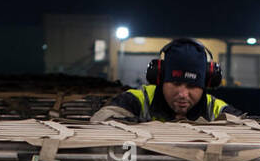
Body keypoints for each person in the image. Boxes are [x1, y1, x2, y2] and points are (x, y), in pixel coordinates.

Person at [92, 38, 239, 123]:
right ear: (160, 78)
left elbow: (246, 126)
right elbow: (102, 119)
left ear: (206, 84)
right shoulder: (138, 100)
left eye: (192, 86)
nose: (182, 93)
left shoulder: (215, 109)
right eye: (175, 83)